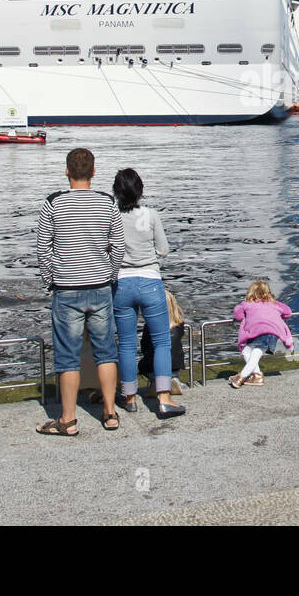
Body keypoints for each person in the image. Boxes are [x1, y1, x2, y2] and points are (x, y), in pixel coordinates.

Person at [36, 148, 126, 435]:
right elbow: (119, 246)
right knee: (106, 352)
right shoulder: (107, 203)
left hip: (66, 289)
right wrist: (109, 274)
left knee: (67, 356)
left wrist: (51, 278)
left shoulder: (53, 204)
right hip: (100, 287)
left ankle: (68, 419)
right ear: (94, 172)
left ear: (66, 171)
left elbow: (43, 249)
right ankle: (110, 413)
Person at [110, 168, 184, 419]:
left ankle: (129, 396)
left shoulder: (112, 216)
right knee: (161, 341)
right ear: (140, 190)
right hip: (150, 281)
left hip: (122, 283)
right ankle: (164, 398)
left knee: (128, 344)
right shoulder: (151, 215)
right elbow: (163, 250)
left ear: (116, 193)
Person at [229, 280, 293, 388]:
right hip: (273, 332)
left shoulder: (248, 304)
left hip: (257, 331)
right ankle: (257, 376)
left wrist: (239, 307)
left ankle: (241, 377)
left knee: (253, 351)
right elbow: (288, 312)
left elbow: (238, 316)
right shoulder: (274, 304)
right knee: (251, 351)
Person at [140, 289, 186, 396]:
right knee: (172, 363)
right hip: (175, 365)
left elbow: (144, 346)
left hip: (151, 367)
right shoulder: (179, 325)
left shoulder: (149, 326)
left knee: (149, 362)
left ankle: (154, 382)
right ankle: (174, 380)